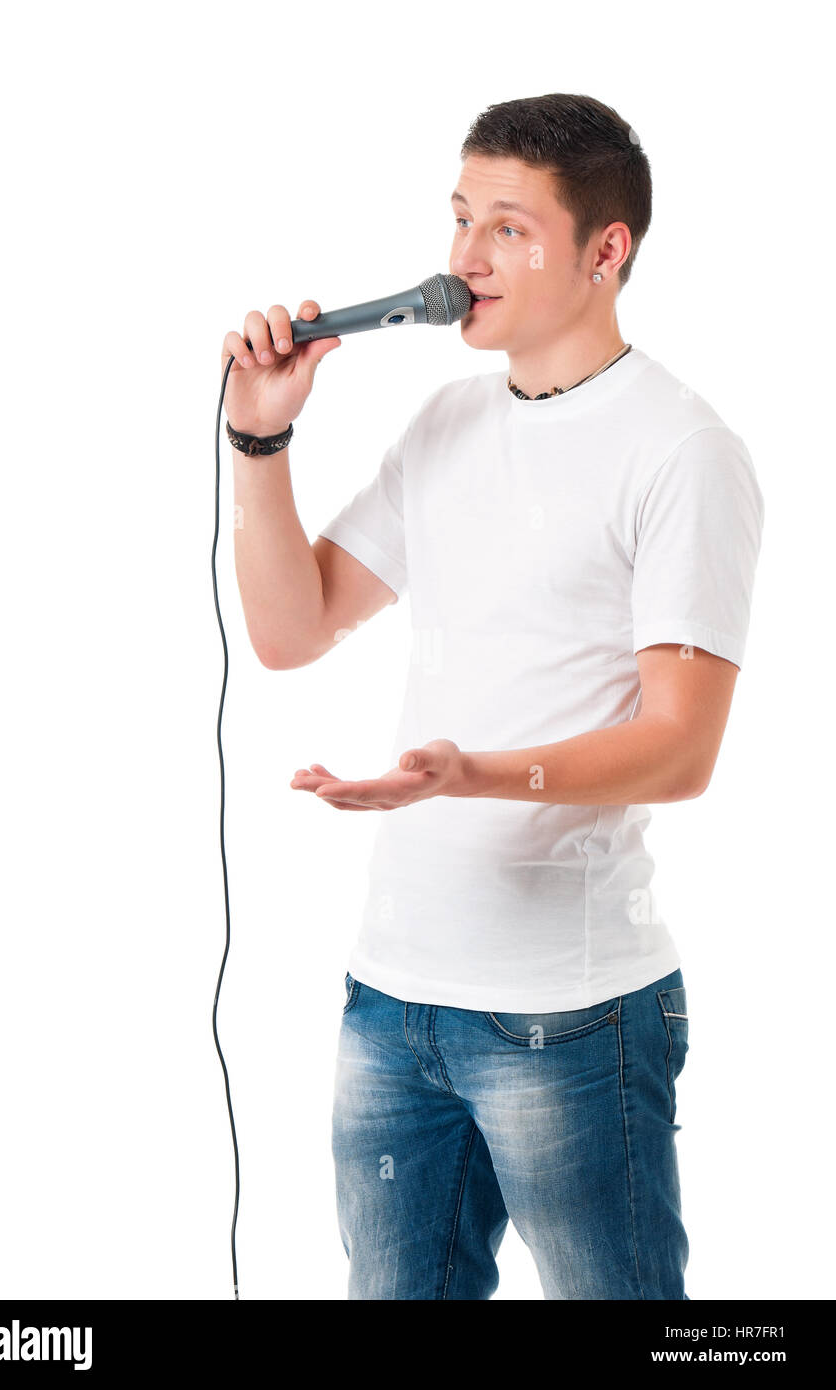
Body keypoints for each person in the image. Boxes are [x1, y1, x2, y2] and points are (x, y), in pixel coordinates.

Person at [221, 93, 764, 1300]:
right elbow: (289, 628)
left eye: (509, 229)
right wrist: (262, 445)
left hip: (568, 1020)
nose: (463, 259)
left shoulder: (682, 451)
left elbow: (680, 750)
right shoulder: (449, 422)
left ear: (604, 251)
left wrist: (477, 773)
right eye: (460, 219)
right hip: (390, 1000)